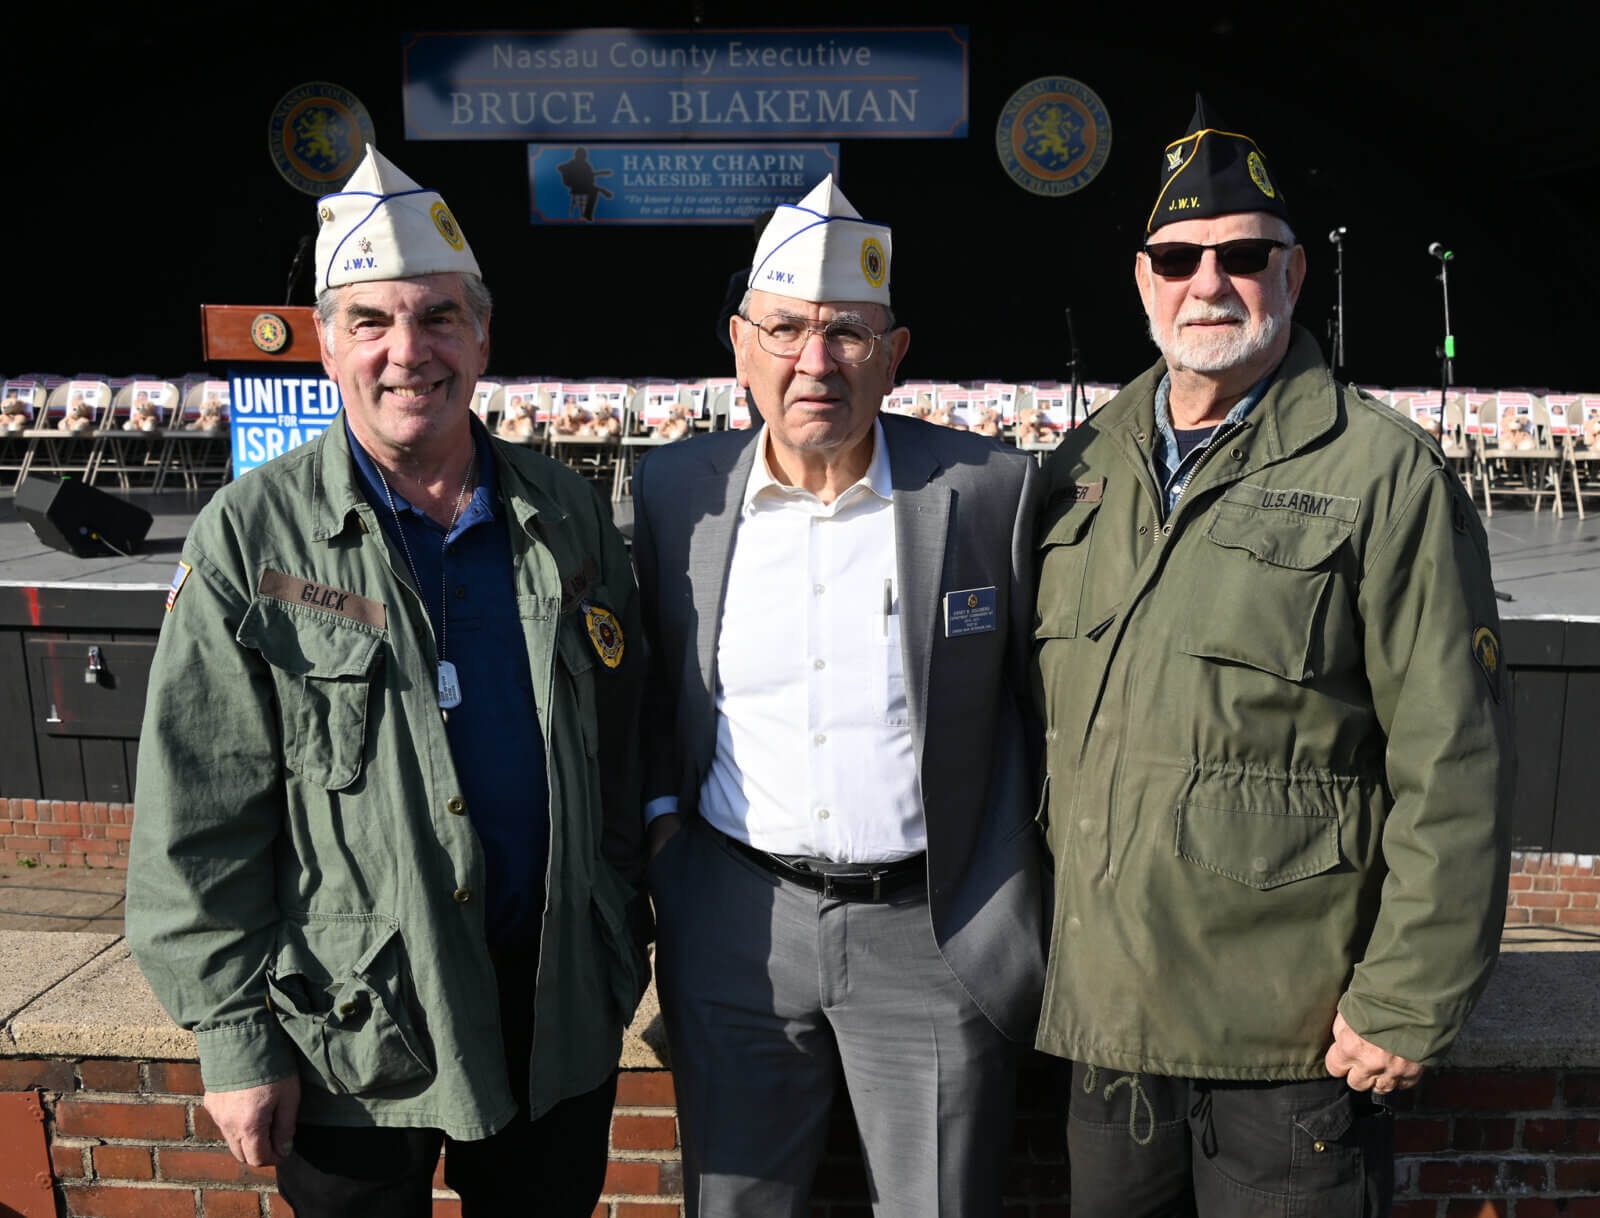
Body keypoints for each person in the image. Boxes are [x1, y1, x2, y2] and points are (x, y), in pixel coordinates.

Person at [127, 145, 648, 1218]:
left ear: (484, 334)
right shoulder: (252, 535)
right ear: (327, 344)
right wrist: (232, 1036)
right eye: (371, 322)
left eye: (438, 317)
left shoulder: (566, 511)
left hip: (552, 1004)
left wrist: (618, 940)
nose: (407, 351)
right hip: (350, 1027)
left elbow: (629, 741)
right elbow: (197, 809)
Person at [1031, 97, 1514, 1216]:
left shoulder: (1380, 474)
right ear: (1142, 279)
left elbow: (1454, 756)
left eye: (1244, 256)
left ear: (1293, 277)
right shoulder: (1079, 468)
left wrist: (1406, 997)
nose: (1210, 283)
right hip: (1110, 1036)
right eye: (1178, 257)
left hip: (1287, 1050)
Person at [632, 175, 1048, 1218]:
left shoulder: (989, 491)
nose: (813, 362)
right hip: (734, 921)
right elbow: (644, 691)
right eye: (784, 330)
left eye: (847, 334)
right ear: (739, 343)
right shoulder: (671, 493)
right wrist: (663, 845)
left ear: (894, 353)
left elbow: (1038, 709)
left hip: (930, 929)